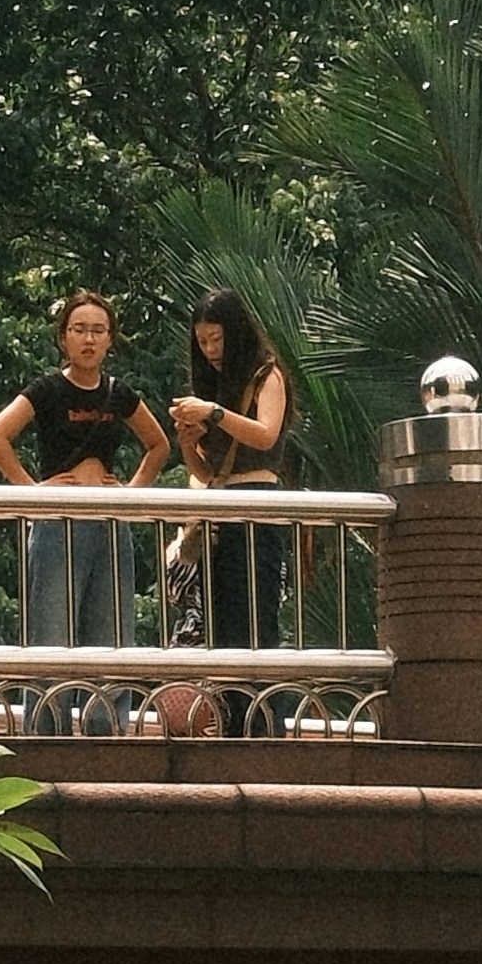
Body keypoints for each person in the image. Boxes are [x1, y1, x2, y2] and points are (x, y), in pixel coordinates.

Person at [0, 291, 169, 676]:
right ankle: (47, 728)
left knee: (112, 634)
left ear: (110, 339)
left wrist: (132, 496)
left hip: (108, 522)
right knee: (51, 633)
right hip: (57, 522)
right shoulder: (47, 389)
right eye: (79, 330)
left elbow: (158, 445)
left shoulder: (118, 392)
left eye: (98, 331)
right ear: (63, 337)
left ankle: (107, 726)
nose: (89, 339)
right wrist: (32, 492)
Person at [165, 287, 295, 719]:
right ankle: (233, 716)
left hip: (258, 504)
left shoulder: (266, 375)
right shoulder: (214, 385)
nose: (210, 350)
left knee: (256, 618)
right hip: (221, 504)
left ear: (236, 334)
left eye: (217, 340)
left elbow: (265, 434)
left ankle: (266, 720)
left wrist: (214, 413)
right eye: (202, 342)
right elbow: (207, 474)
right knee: (222, 622)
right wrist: (188, 444)